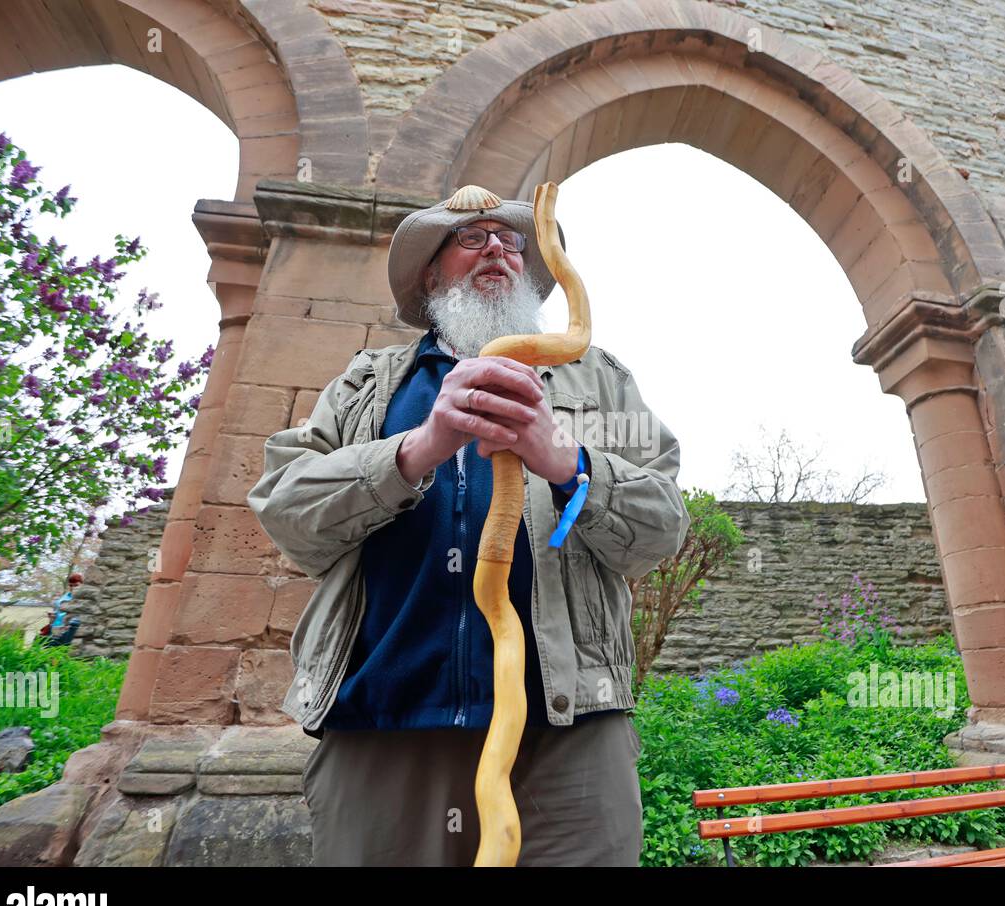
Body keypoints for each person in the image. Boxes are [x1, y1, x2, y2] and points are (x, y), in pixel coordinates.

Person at [247, 183, 689, 866]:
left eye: (512, 242)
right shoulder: (371, 385)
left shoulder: (597, 380)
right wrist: (420, 445)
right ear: (430, 274)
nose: (498, 252)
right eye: (471, 239)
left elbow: (661, 530)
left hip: (570, 733)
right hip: (386, 722)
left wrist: (563, 459)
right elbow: (285, 510)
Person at [42, 573, 83, 647]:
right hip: (56, 629)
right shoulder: (63, 598)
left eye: (76, 585)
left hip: (70, 632)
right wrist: (52, 617)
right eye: (71, 585)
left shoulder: (84, 598)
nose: (73, 588)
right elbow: (57, 613)